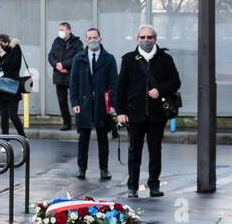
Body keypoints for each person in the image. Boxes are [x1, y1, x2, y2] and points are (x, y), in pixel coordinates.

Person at [114, 25, 180, 198]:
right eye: (142, 37)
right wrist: (120, 111)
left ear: (155, 39)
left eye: (149, 37)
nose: (146, 40)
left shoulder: (165, 59)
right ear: (137, 39)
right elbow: (120, 88)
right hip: (134, 115)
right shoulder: (129, 59)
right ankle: (132, 187)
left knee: (155, 151)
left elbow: (176, 82)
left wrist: (160, 90)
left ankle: (154, 185)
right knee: (134, 152)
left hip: (157, 115)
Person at [70, 27, 117, 181]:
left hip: (102, 105)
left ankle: (104, 169)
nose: (92, 40)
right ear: (86, 40)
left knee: (103, 138)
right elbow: (74, 82)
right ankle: (81, 168)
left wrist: (113, 104)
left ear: (100, 38)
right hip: (83, 104)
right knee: (83, 138)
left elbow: (114, 83)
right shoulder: (79, 58)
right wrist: (75, 102)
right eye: (89, 38)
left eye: (95, 37)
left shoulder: (109, 59)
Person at [0, 34, 26, 138]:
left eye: (0, 43)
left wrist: (3, 53)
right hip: (0, 87)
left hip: (11, 87)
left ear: (6, 42)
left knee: (13, 115)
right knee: (3, 116)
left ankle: (23, 137)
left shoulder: (14, 49)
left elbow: (14, 65)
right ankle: (5, 141)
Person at [47, 21, 81, 130]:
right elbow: (51, 55)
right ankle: (67, 123)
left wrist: (64, 65)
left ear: (69, 30)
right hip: (59, 76)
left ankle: (81, 122)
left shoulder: (77, 42)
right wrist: (56, 65)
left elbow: (78, 57)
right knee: (62, 101)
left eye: (62, 30)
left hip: (72, 75)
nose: (60, 32)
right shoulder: (57, 41)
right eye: (59, 30)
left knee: (76, 100)